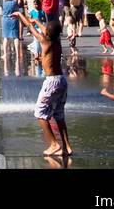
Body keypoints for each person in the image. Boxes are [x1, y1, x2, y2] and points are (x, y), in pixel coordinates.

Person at [16, 10, 72, 158]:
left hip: (51, 82)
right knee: (59, 115)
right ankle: (67, 146)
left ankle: (54, 144)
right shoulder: (57, 41)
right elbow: (45, 29)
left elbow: (29, 25)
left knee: (40, 114)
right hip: (62, 81)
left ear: (48, 31)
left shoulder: (44, 40)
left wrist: (19, 15)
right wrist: (38, 22)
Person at [1, 0, 21, 72]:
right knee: (16, 37)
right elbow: (19, 5)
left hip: (5, 20)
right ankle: (17, 54)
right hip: (14, 19)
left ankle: (5, 54)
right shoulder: (15, 1)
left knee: (6, 38)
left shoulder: (3, 1)